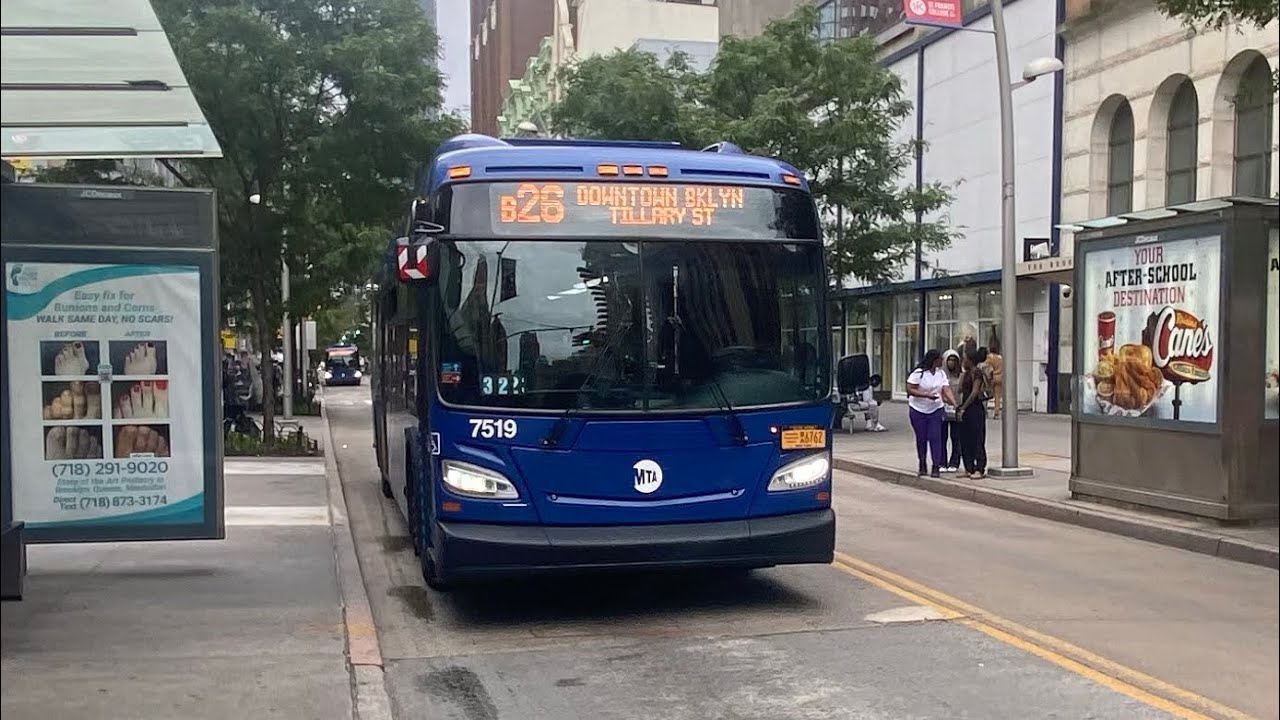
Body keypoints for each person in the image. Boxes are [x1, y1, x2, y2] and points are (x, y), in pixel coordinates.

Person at [906, 349, 954, 478]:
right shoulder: (919, 373)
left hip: (936, 409)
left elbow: (946, 389)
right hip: (918, 409)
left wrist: (954, 402)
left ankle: (935, 466)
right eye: (940, 359)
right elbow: (910, 389)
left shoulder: (941, 374)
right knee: (921, 438)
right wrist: (925, 395)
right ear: (934, 360)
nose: (942, 361)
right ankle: (922, 463)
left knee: (935, 437)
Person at [957, 348, 989, 479]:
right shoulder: (966, 373)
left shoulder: (977, 373)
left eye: (964, 359)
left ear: (970, 360)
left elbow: (975, 392)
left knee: (977, 438)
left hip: (974, 408)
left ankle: (979, 468)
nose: (963, 362)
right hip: (965, 407)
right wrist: (962, 375)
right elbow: (959, 389)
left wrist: (964, 407)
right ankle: (968, 467)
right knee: (965, 438)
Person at [941, 349, 965, 472]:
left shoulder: (962, 375)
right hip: (943, 409)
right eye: (949, 360)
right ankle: (942, 462)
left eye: (954, 360)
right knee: (942, 436)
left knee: (956, 437)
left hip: (957, 408)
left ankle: (954, 462)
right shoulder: (940, 375)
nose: (951, 363)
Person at [986, 342, 1005, 418]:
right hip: (1000, 377)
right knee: (997, 396)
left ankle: (985, 411)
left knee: (986, 394)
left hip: (992, 377)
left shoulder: (989, 357)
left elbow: (988, 368)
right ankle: (996, 412)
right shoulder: (1001, 358)